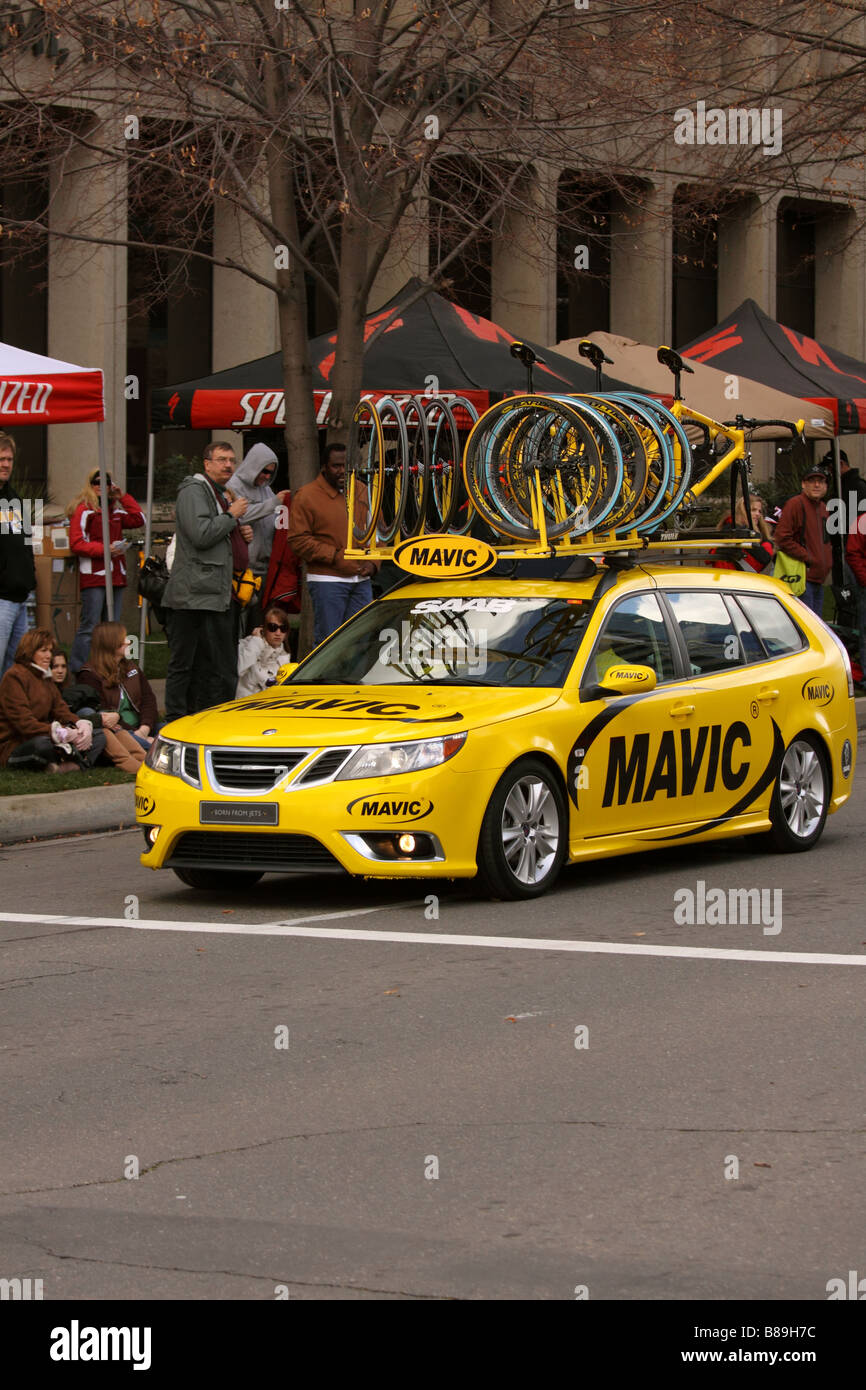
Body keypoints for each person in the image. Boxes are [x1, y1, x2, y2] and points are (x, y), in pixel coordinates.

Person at [161, 441, 253, 722]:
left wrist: (240, 533)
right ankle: (177, 720)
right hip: (194, 593)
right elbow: (201, 534)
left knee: (215, 665)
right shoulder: (194, 491)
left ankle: (210, 719)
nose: (228, 465)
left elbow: (217, 534)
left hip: (214, 593)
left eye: (232, 460)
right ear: (207, 463)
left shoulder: (218, 493)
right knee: (187, 664)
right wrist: (231, 516)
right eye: (222, 459)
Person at [288, 443, 379, 647]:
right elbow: (297, 540)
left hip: (361, 580)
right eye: (336, 466)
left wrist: (374, 563)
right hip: (327, 580)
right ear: (324, 467)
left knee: (362, 643)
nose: (342, 471)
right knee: (329, 644)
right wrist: (335, 556)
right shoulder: (307, 495)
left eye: (346, 466)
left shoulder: (362, 490)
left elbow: (379, 531)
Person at [67, 468, 145, 672]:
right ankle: (78, 670)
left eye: (106, 482)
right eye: (97, 482)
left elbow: (139, 519)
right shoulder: (84, 510)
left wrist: (123, 497)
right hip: (94, 576)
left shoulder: (115, 511)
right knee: (90, 627)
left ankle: (109, 670)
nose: (102, 486)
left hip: (116, 575)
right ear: (90, 485)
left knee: (112, 628)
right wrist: (105, 550)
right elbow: (76, 543)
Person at [0, 627, 107, 773]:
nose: (48, 655)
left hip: (47, 735)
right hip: (16, 743)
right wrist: (60, 733)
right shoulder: (14, 676)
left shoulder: (45, 677)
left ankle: (67, 766)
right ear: (29, 651)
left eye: (50, 651)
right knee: (42, 745)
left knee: (98, 735)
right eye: (43, 651)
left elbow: (60, 709)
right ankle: (74, 763)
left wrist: (80, 725)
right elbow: (24, 724)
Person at [77, 621, 160, 749]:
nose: (129, 642)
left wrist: (144, 729)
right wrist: (137, 735)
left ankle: (150, 745)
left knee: (176, 733)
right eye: (124, 639)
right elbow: (105, 716)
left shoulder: (130, 667)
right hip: (119, 732)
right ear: (111, 643)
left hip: (143, 727)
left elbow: (148, 700)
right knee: (161, 747)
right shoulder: (89, 675)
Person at [774, 463, 832, 617]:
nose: (816, 485)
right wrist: (807, 557)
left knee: (815, 625)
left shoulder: (823, 508)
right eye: (812, 481)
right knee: (806, 625)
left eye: (821, 481)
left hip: (818, 579)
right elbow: (782, 537)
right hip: (802, 579)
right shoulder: (795, 504)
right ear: (803, 484)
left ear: (826, 486)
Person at [0, 431, 35, 677]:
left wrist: (30, 578)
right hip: (1, 598)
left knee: (16, 672)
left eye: (9, 459)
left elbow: (24, 543)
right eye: (1, 459)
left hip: (21, 598)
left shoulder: (14, 498)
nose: (6, 464)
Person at [235, 605, 292, 697]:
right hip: (244, 702)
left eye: (283, 628)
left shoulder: (284, 657)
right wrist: (256, 642)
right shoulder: (247, 646)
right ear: (263, 629)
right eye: (272, 627)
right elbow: (238, 670)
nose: (278, 633)